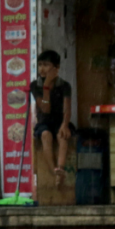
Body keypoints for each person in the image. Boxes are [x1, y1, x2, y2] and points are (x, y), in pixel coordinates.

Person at [30, 49, 74, 189]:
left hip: (60, 121)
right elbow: (45, 108)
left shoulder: (64, 85)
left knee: (62, 136)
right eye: (40, 65)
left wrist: (65, 124)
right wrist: (46, 86)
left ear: (56, 68)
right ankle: (54, 171)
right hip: (44, 123)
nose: (42, 69)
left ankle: (60, 168)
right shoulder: (35, 85)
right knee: (45, 135)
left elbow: (67, 108)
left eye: (46, 65)